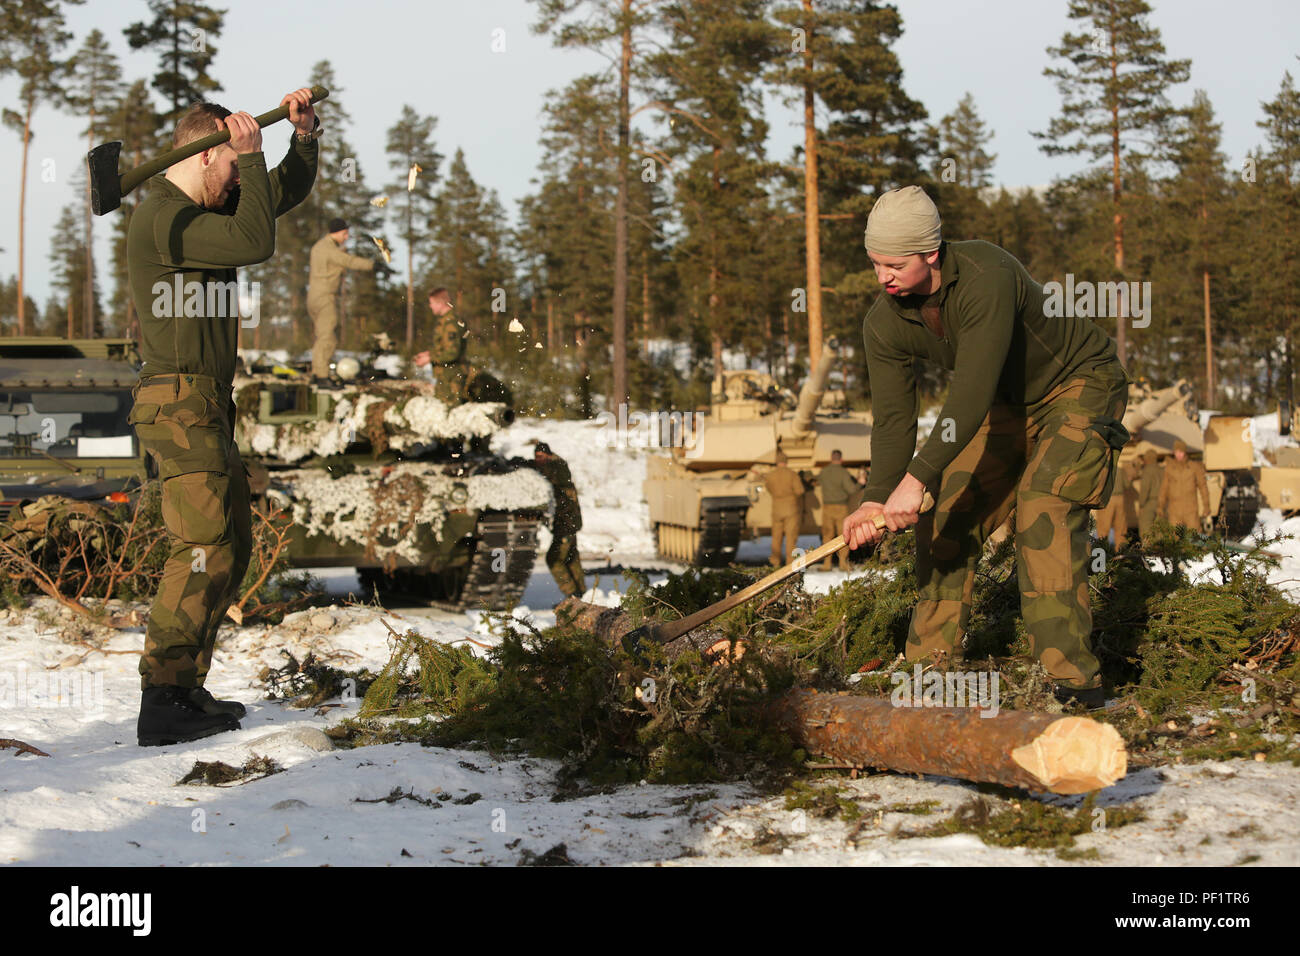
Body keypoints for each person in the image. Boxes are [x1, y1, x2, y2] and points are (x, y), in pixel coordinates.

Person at [842, 186, 1129, 709]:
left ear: (930, 253)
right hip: (1006, 403)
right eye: (875, 262)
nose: (882, 276)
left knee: (1045, 505)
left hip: (1079, 384)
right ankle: (926, 672)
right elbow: (892, 419)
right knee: (948, 513)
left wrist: (918, 476)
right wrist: (876, 496)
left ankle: (1073, 687)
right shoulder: (884, 324)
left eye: (894, 263)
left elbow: (969, 392)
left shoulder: (986, 276)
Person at [126, 89, 319, 745]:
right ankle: (163, 698)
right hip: (179, 400)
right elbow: (255, 238)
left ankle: (185, 687)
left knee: (227, 541)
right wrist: (254, 156)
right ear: (208, 154)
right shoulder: (164, 221)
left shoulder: (197, 213)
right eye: (231, 168)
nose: (238, 178)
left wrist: (301, 142)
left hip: (204, 400)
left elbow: (272, 202)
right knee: (202, 545)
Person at [307, 218, 381, 381]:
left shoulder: (319, 247)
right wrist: (373, 265)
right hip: (326, 297)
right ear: (336, 232)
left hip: (314, 296)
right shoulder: (330, 250)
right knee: (328, 337)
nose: (346, 237)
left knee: (322, 335)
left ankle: (317, 372)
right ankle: (321, 375)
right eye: (345, 233)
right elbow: (348, 261)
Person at [530, 442, 586, 598]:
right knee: (571, 559)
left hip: (566, 523)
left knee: (554, 559)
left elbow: (549, 476)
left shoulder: (556, 469)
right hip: (569, 522)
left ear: (548, 455)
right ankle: (581, 595)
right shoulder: (557, 467)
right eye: (536, 457)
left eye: (541, 457)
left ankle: (572, 594)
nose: (538, 460)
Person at [413, 288, 470, 402]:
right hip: (446, 377)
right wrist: (428, 354)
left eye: (432, 303)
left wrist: (429, 358)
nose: (430, 306)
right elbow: (445, 347)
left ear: (440, 302)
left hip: (452, 378)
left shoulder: (450, 322)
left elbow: (453, 353)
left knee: (450, 412)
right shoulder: (446, 320)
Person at [1158, 439, 1211, 531]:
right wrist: (1160, 506)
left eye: (1181, 452)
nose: (1178, 455)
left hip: (1190, 510)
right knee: (1175, 539)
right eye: (1176, 452)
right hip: (1174, 511)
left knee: (1195, 537)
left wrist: (1206, 505)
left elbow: (1203, 487)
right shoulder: (1169, 469)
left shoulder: (1194, 467)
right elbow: (1164, 488)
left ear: (1185, 452)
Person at [817, 450, 857, 571]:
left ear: (831, 458)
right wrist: (860, 483)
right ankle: (843, 563)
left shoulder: (823, 472)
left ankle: (827, 564)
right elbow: (851, 490)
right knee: (843, 536)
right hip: (841, 508)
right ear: (841, 459)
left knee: (827, 536)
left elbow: (817, 481)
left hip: (827, 508)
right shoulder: (844, 473)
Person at [764, 450, 804, 566]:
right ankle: (790, 563)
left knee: (776, 537)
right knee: (791, 538)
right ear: (786, 462)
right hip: (791, 509)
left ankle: (775, 562)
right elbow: (799, 491)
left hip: (776, 509)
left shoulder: (770, 475)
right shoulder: (792, 474)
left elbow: (769, 488)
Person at [1094, 460, 1137, 548]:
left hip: (1107, 499)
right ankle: (1122, 552)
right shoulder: (1120, 470)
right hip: (1120, 499)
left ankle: (1103, 552)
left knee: (1103, 527)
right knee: (1121, 527)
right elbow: (1127, 485)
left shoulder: (1102, 471)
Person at [1137, 448, 1163, 542]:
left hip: (1150, 502)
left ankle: (1148, 550)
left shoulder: (1147, 470)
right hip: (1162, 502)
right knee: (1160, 528)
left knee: (1145, 526)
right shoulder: (1162, 470)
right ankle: (1160, 549)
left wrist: (1141, 505)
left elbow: (1145, 489)